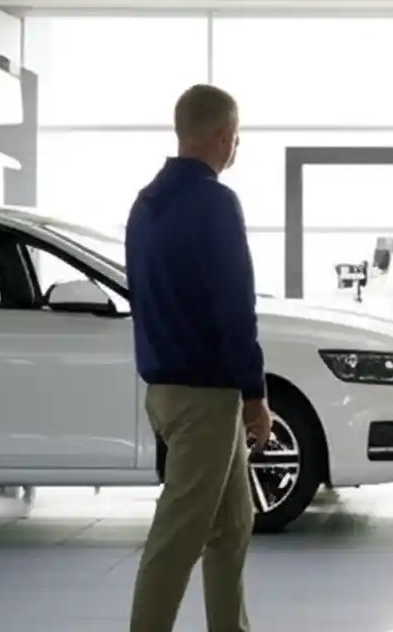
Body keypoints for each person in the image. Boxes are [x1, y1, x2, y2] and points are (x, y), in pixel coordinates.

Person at [126, 83, 273, 632]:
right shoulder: (214, 201)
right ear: (223, 136)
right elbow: (234, 307)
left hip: (165, 389)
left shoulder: (146, 203)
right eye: (235, 138)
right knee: (177, 537)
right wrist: (255, 395)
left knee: (234, 522)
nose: (235, 147)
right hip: (204, 399)